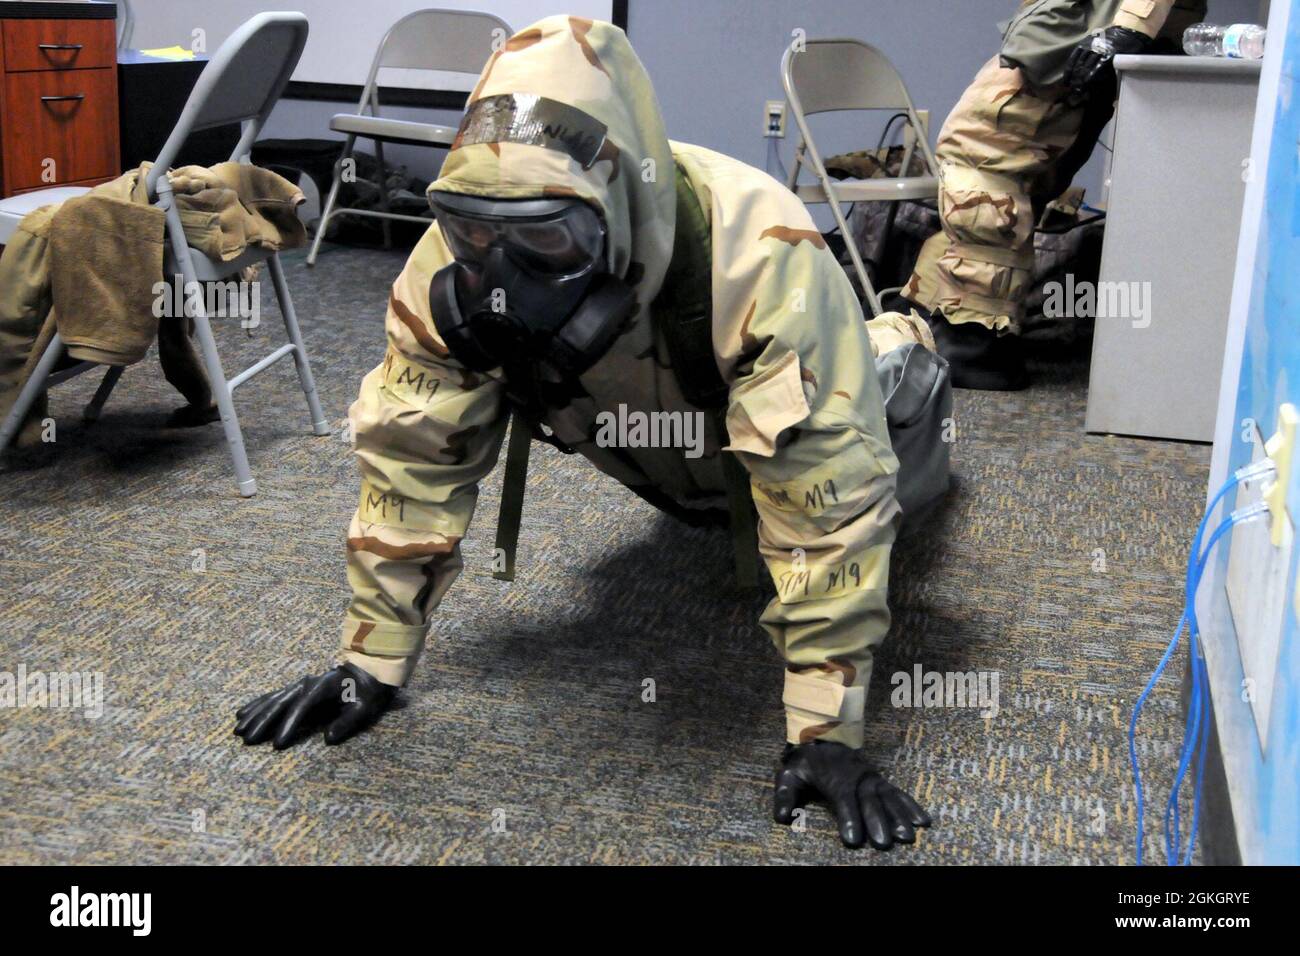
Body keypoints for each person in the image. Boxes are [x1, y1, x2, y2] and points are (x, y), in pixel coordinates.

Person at [234, 16, 949, 851]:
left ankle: (914, 328)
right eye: (475, 235)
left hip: (861, 410)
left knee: (886, 376)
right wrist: (371, 663)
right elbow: (410, 461)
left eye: (545, 239)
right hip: (674, 441)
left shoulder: (762, 254)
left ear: (623, 209)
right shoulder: (451, 255)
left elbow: (831, 510)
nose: (498, 279)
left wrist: (827, 735)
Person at [897, 0, 1208, 390]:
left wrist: (1128, 29)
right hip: (1068, 35)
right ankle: (946, 316)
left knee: (983, 160)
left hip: (1080, 37)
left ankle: (973, 338)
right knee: (1007, 173)